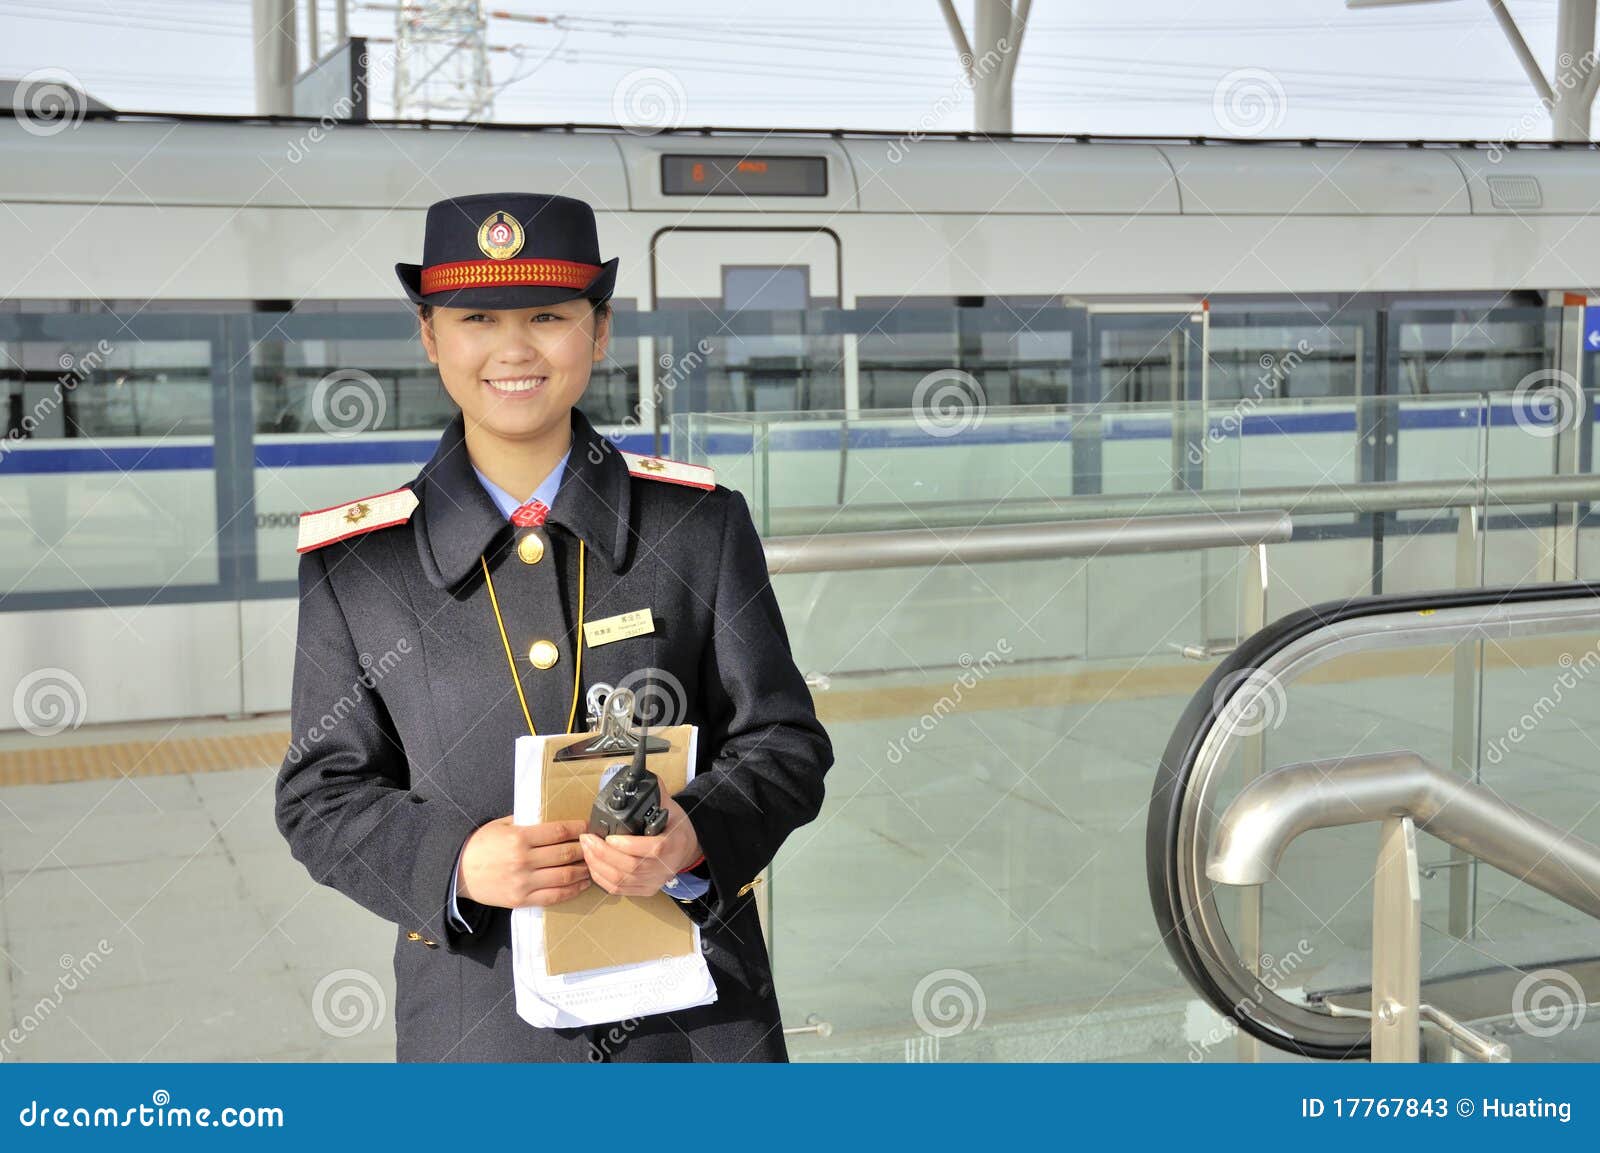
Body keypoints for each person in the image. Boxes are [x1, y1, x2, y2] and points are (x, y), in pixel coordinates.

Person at [273, 192, 833, 1062]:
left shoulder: (699, 524)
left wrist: (696, 830)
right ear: (430, 336)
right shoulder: (358, 566)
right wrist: (454, 862)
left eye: (547, 315)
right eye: (477, 318)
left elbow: (786, 744)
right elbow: (320, 796)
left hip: (698, 1028)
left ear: (599, 331)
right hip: (480, 1027)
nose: (513, 348)